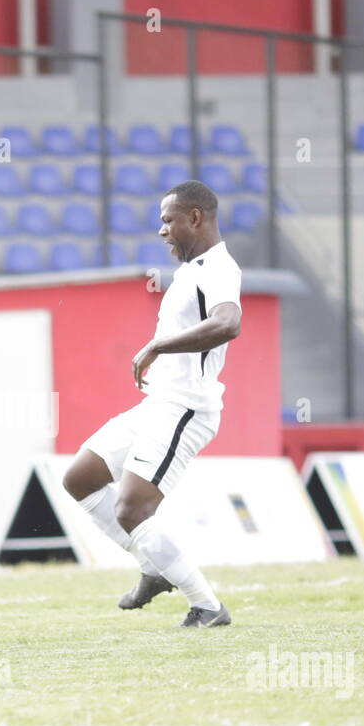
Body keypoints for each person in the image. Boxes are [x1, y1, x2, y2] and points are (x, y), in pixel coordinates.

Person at [62, 180, 242, 628]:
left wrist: (158, 345)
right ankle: (153, 567)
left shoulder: (218, 267)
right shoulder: (192, 269)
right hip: (160, 403)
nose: (162, 231)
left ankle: (207, 606)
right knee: (79, 478)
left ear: (195, 218)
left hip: (186, 408)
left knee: (132, 508)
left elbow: (229, 323)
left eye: (168, 221)